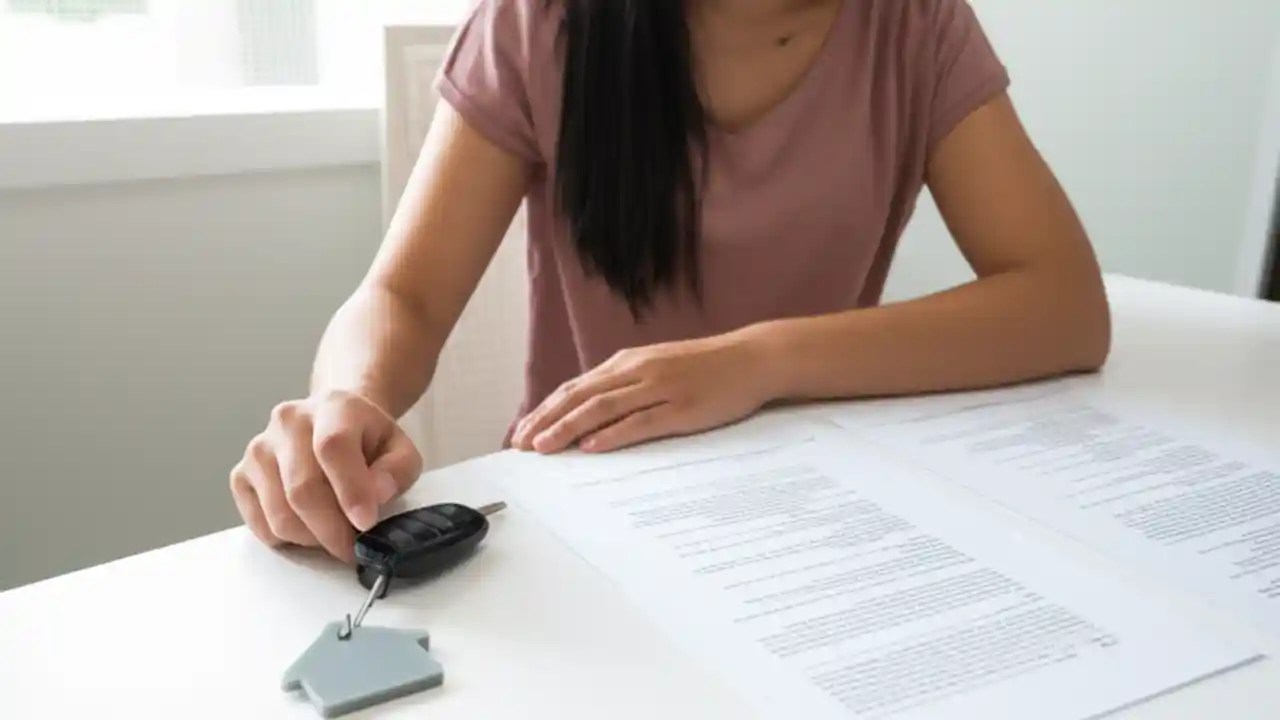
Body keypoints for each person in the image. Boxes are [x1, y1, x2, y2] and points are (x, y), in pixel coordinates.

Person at [230, 0, 1111, 562]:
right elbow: (405, 296)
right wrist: (348, 400)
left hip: (829, 523)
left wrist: (758, 362)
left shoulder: (916, 25)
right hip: (592, 519)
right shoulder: (542, 21)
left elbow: (1063, 302)